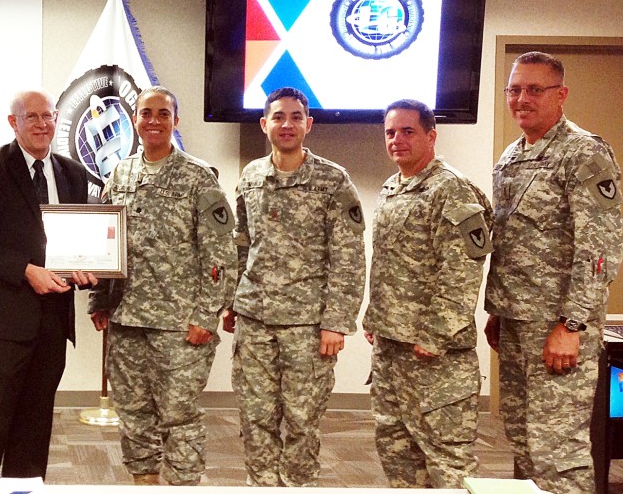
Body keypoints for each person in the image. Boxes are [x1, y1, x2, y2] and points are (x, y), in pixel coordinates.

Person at [484, 51, 623, 494]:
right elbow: (510, 242)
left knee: (558, 453)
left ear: (560, 95)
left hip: (559, 328)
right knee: (524, 442)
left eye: (534, 89)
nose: (522, 98)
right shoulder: (512, 156)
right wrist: (499, 311)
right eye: (514, 89)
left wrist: (572, 324)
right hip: (517, 325)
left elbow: (600, 249)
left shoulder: (584, 152)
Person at [87, 86, 235, 486]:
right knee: (133, 412)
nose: (154, 121)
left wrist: (207, 314)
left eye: (163, 114)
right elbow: (107, 241)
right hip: (127, 318)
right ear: (134, 120)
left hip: (179, 322)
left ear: (175, 121)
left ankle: (183, 486)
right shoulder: (120, 173)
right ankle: (145, 483)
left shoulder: (197, 177)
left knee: (178, 415)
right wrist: (101, 298)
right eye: (146, 113)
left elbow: (221, 253)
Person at [223, 86, 366, 487]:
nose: (287, 124)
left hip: (307, 326)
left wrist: (336, 322)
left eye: (296, 117)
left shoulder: (332, 180)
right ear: (264, 123)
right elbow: (241, 244)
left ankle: (298, 489)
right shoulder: (250, 177)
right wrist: (232, 301)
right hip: (255, 321)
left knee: (302, 422)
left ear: (309, 124)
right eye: (279, 117)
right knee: (255, 418)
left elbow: (349, 256)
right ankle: (262, 487)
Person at [0, 90, 98, 483]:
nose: (41, 124)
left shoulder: (72, 172)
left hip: (53, 324)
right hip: (2, 324)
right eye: (31, 117)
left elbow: (76, 244)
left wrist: (85, 269)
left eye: (48, 116)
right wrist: (26, 270)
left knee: (35, 428)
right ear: (12, 123)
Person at [362, 99, 490, 488]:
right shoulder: (392, 188)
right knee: (398, 454)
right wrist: (374, 316)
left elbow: (463, 270)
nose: (397, 140)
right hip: (392, 348)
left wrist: (435, 335)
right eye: (390, 132)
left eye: (408, 131)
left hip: (436, 358)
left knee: (447, 461)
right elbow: (389, 261)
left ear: (431, 136)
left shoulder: (450, 189)